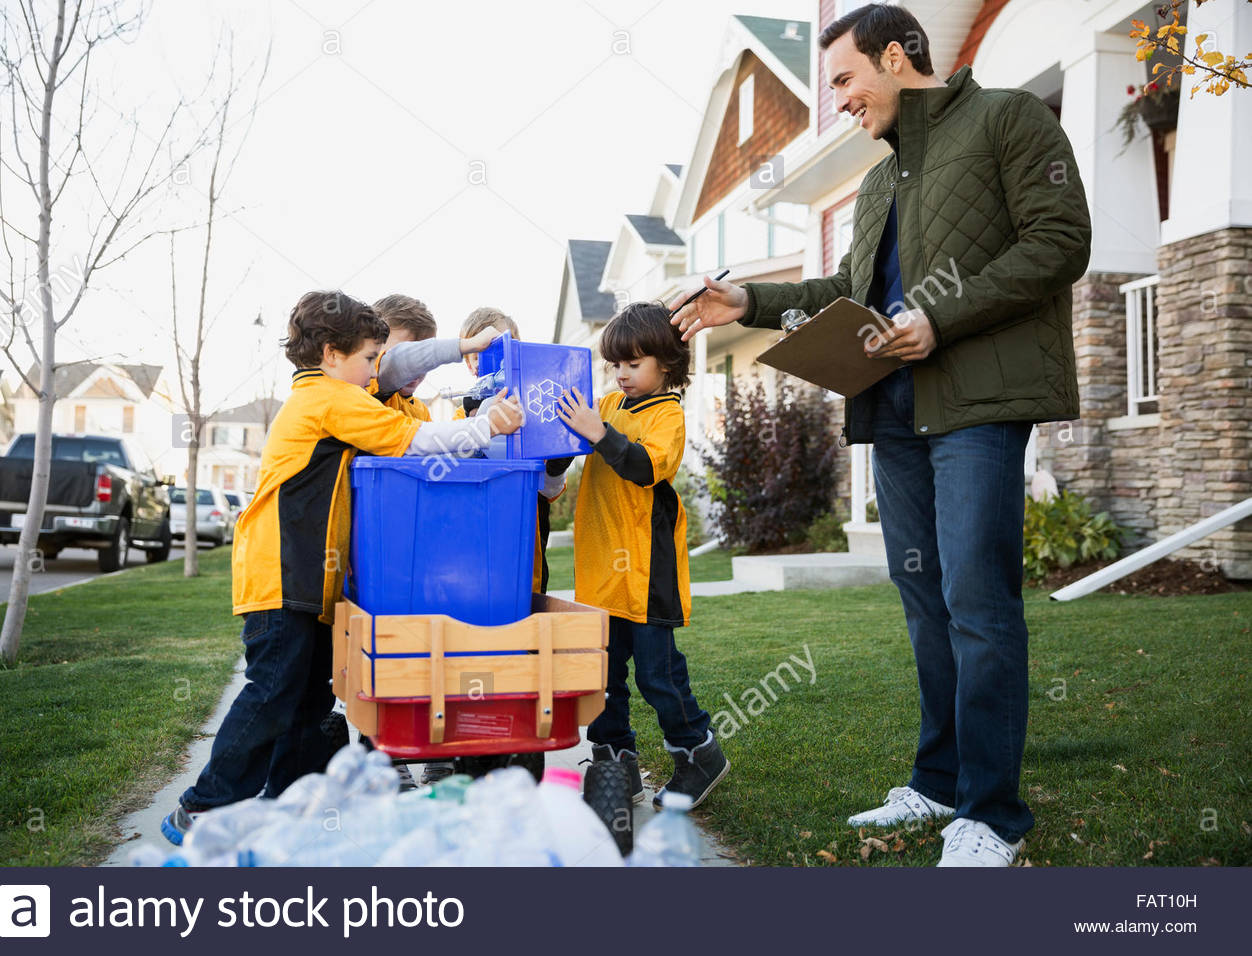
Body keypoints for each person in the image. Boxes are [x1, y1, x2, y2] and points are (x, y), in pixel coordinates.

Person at [669, 3, 1091, 866]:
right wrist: (745, 301)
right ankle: (939, 782)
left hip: (975, 405)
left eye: (846, 80)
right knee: (925, 600)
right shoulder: (875, 182)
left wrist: (938, 315)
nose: (842, 102)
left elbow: (1061, 239)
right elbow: (842, 291)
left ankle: (993, 814)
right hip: (895, 412)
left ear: (897, 56)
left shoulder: (1006, 118)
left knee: (978, 600)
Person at [161, 291, 523, 845]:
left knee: (307, 698)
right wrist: (487, 428)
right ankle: (203, 806)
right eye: (369, 359)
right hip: (282, 574)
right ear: (332, 355)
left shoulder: (323, 389)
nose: (377, 371)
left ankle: (286, 805)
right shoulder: (331, 399)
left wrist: (459, 347)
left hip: (299, 576)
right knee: (273, 691)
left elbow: (400, 367)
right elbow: (418, 441)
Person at [557, 302, 729, 809]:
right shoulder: (607, 405)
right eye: (616, 364)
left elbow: (643, 467)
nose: (622, 373)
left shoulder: (667, 415)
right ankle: (615, 760)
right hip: (600, 575)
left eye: (634, 363)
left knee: (658, 675)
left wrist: (598, 433)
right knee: (603, 675)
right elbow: (567, 446)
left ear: (667, 366)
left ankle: (697, 752)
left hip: (646, 573)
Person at [455, 306, 568, 596]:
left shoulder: (536, 410)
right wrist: (478, 420)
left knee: (528, 594)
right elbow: (457, 466)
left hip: (528, 524)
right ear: (468, 363)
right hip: (482, 523)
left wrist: (557, 461)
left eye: (496, 350)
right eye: (475, 353)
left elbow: (549, 489)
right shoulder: (461, 415)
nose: (482, 362)